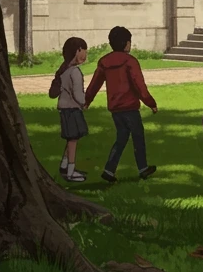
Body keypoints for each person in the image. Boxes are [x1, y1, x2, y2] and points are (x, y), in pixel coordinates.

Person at [84, 25, 157, 184]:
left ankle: (109, 170)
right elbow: (139, 86)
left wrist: (87, 100)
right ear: (126, 43)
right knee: (138, 137)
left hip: (115, 109)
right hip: (130, 107)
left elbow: (94, 84)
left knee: (122, 138)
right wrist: (151, 103)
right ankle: (143, 168)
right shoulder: (130, 61)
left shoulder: (104, 62)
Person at [51, 37, 89, 182]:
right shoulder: (75, 73)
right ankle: (70, 172)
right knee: (73, 140)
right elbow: (78, 94)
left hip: (64, 109)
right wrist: (84, 103)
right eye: (83, 51)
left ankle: (64, 165)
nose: (84, 55)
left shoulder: (64, 71)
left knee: (71, 138)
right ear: (77, 50)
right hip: (72, 110)